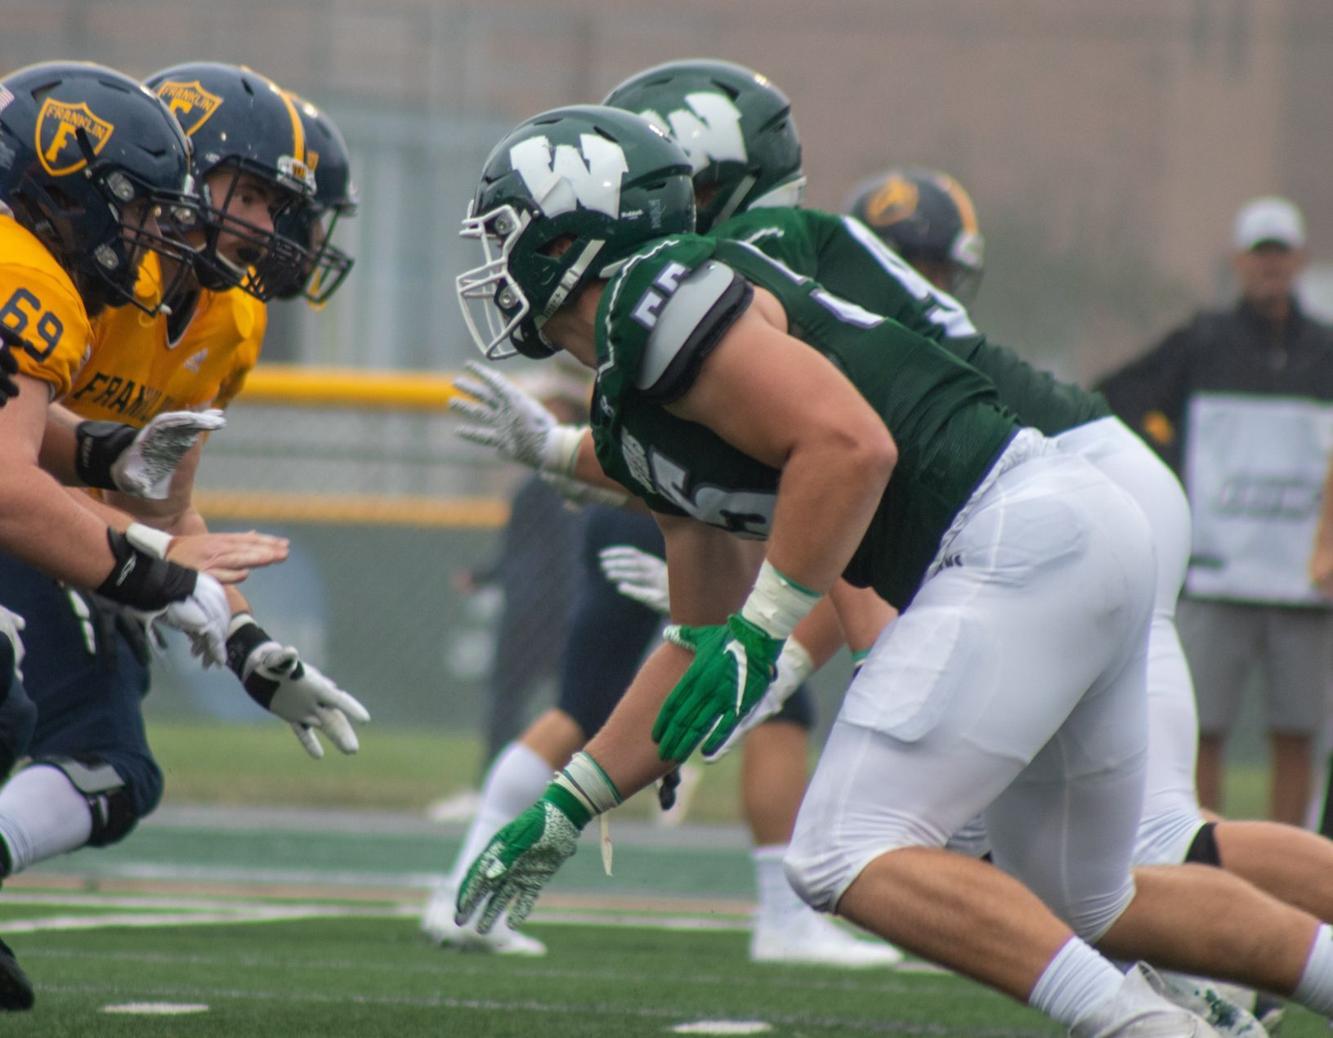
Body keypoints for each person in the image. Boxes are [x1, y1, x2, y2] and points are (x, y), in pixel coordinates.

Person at [451, 103, 1333, 1037]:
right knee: (1092, 899)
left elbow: (847, 445)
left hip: (1012, 534)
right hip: (1068, 537)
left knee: (840, 849)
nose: (496, 263)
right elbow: (694, 647)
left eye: (508, 232)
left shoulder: (652, 295)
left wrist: (765, 630)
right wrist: (571, 803)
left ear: (574, 231)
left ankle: (1152, 1029)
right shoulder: (633, 404)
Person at [1099, 195, 1333, 826]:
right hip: (1214, 574)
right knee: (1203, 726)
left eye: (1280, 254)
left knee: (1297, 731)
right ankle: (1207, 856)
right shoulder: (1203, 342)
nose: (1270, 266)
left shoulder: (1327, 349)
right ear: (1238, 262)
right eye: (1260, 254)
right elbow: (1119, 397)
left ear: (1300, 260)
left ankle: (1286, 862)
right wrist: (1169, 468)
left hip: (1305, 583)